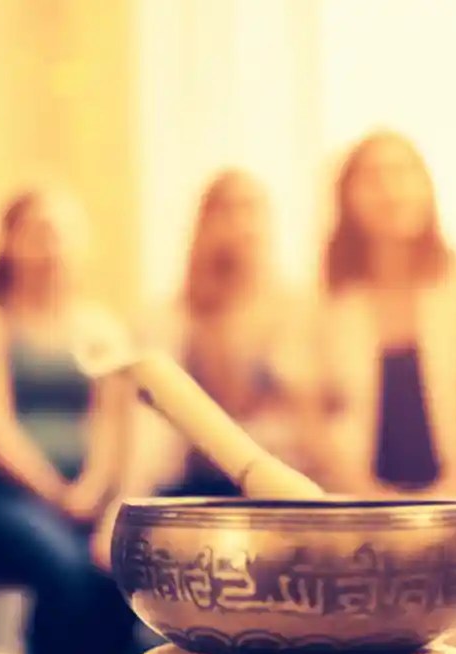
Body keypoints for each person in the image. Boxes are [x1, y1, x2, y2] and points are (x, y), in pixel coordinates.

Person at [307, 130, 456, 579]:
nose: (391, 189)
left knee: (454, 554)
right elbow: (310, 422)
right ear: (346, 198)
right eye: (373, 177)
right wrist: (376, 504)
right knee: (325, 564)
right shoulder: (325, 305)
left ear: (428, 187)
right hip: (365, 509)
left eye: (403, 172)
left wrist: (440, 506)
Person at [0, 188, 139, 654]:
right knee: (65, 569)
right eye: (37, 234)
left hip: (85, 499)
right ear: (10, 245)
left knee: (119, 571)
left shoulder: (101, 327)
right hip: (3, 499)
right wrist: (55, 493)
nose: (51, 247)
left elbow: (109, 424)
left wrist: (90, 490)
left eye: (60, 235)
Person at [90, 171, 314, 567]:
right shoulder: (169, 318)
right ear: (203, 224)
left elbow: (304, 421)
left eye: (250, 209)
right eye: (225, 211)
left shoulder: (298, 312)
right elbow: (147, 434)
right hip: (189, 482)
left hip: (274, 484)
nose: (239, 223)